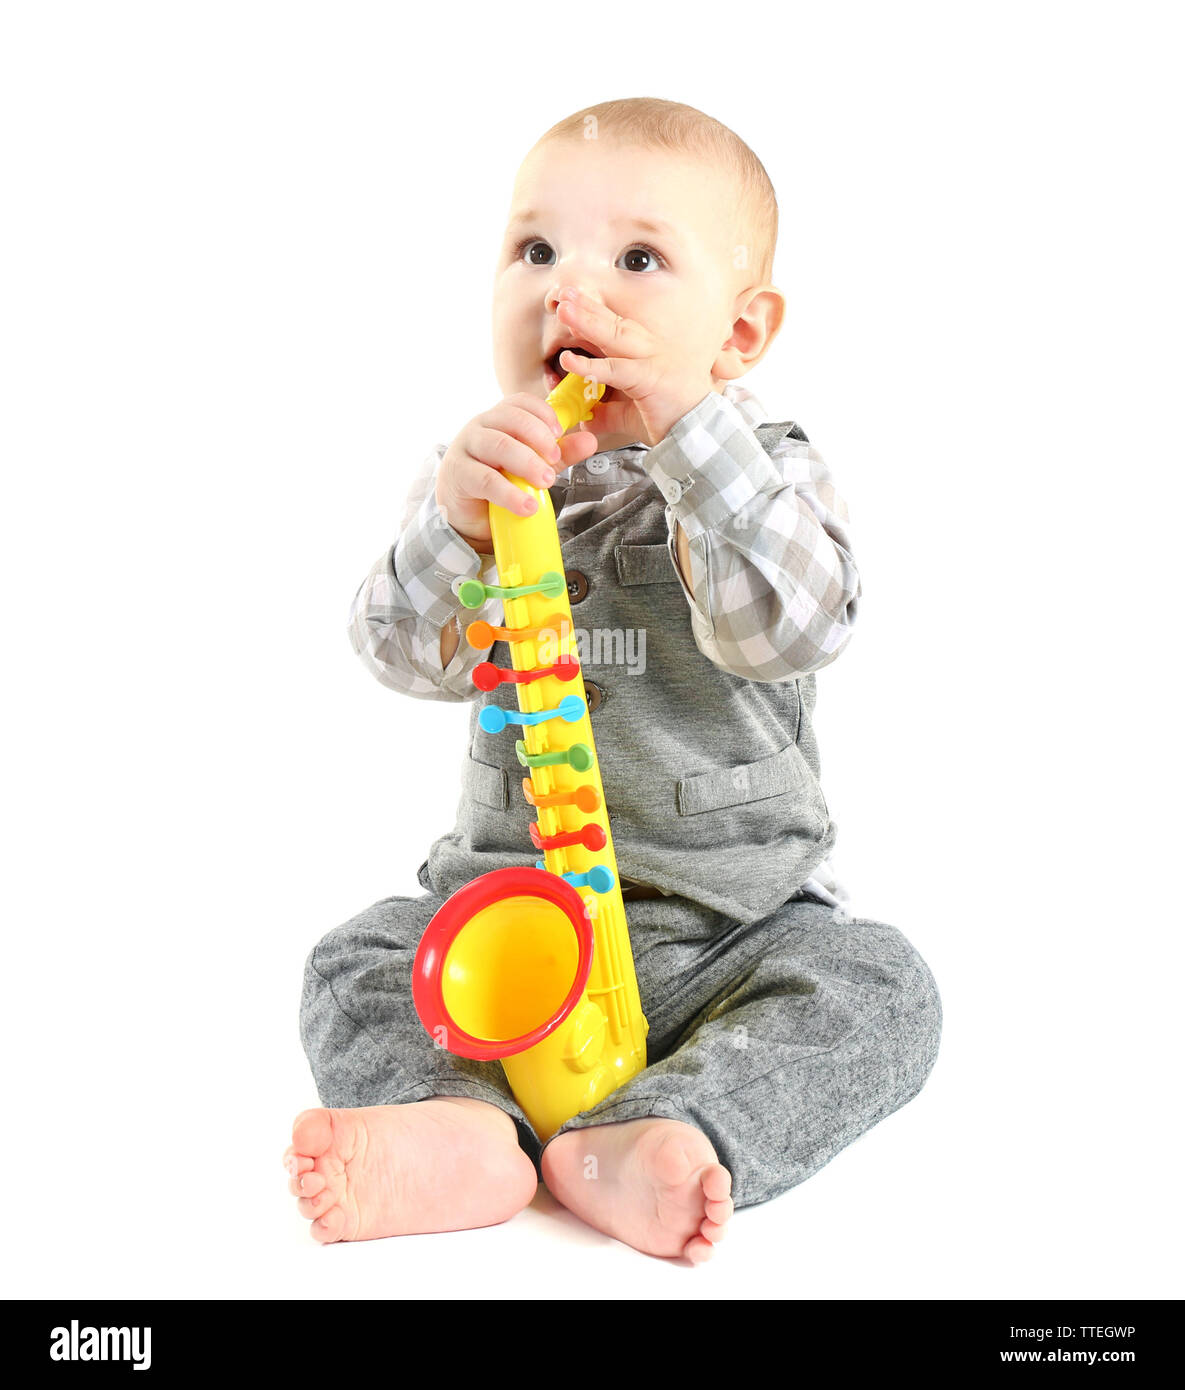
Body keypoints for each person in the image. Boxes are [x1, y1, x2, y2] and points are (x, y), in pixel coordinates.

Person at [284, 97, 942, 1263]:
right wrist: (454, 523)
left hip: (725, 932)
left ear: (738, 336)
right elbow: (393, 649)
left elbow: (791, 625)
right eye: (535, 251)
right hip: (507, 934)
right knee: (355, 957)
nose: (567, 291)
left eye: (638, 258)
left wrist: (689, 437)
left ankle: (661, 1129)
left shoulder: (767, 474)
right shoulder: (474, 480)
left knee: (881, 989)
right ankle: (464, 1128)